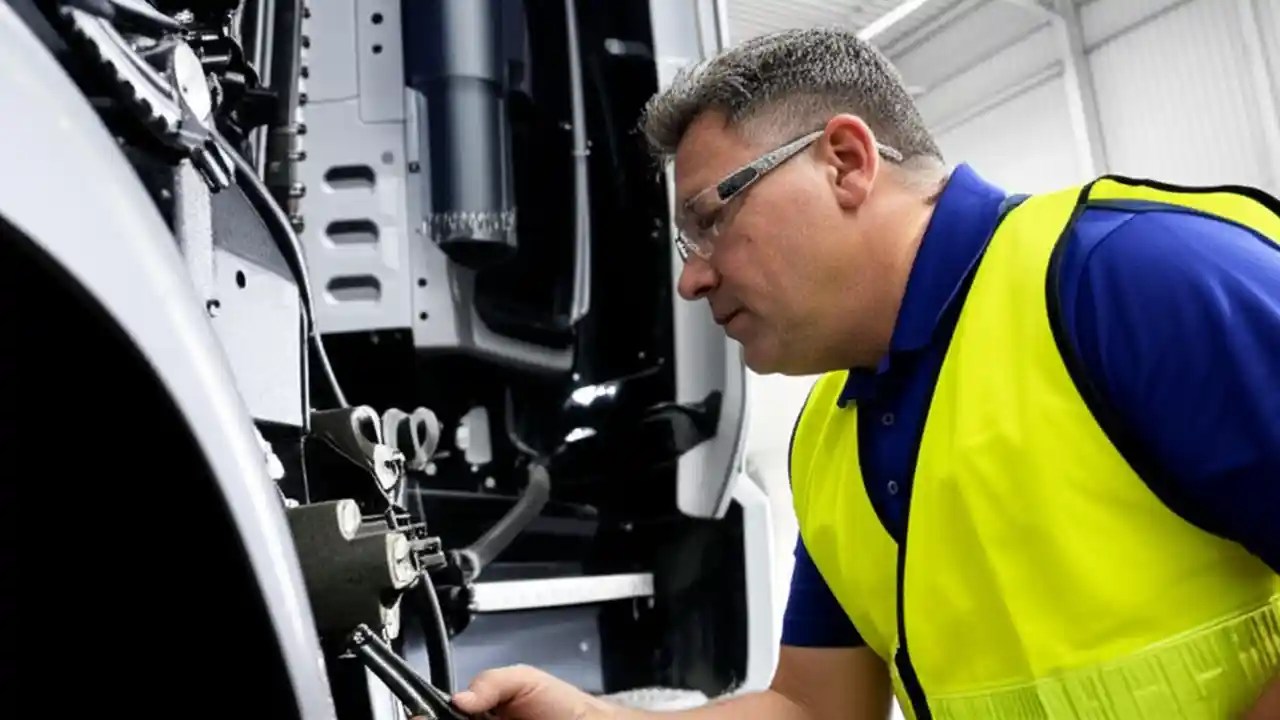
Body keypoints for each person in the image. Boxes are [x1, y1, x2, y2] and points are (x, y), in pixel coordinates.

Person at [447, 26, 1280, 720]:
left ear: (845, 160)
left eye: (708, 222)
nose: (692, 278)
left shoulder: (1123, 276)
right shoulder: (832, 435)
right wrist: (595, 719)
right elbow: (815, 708)